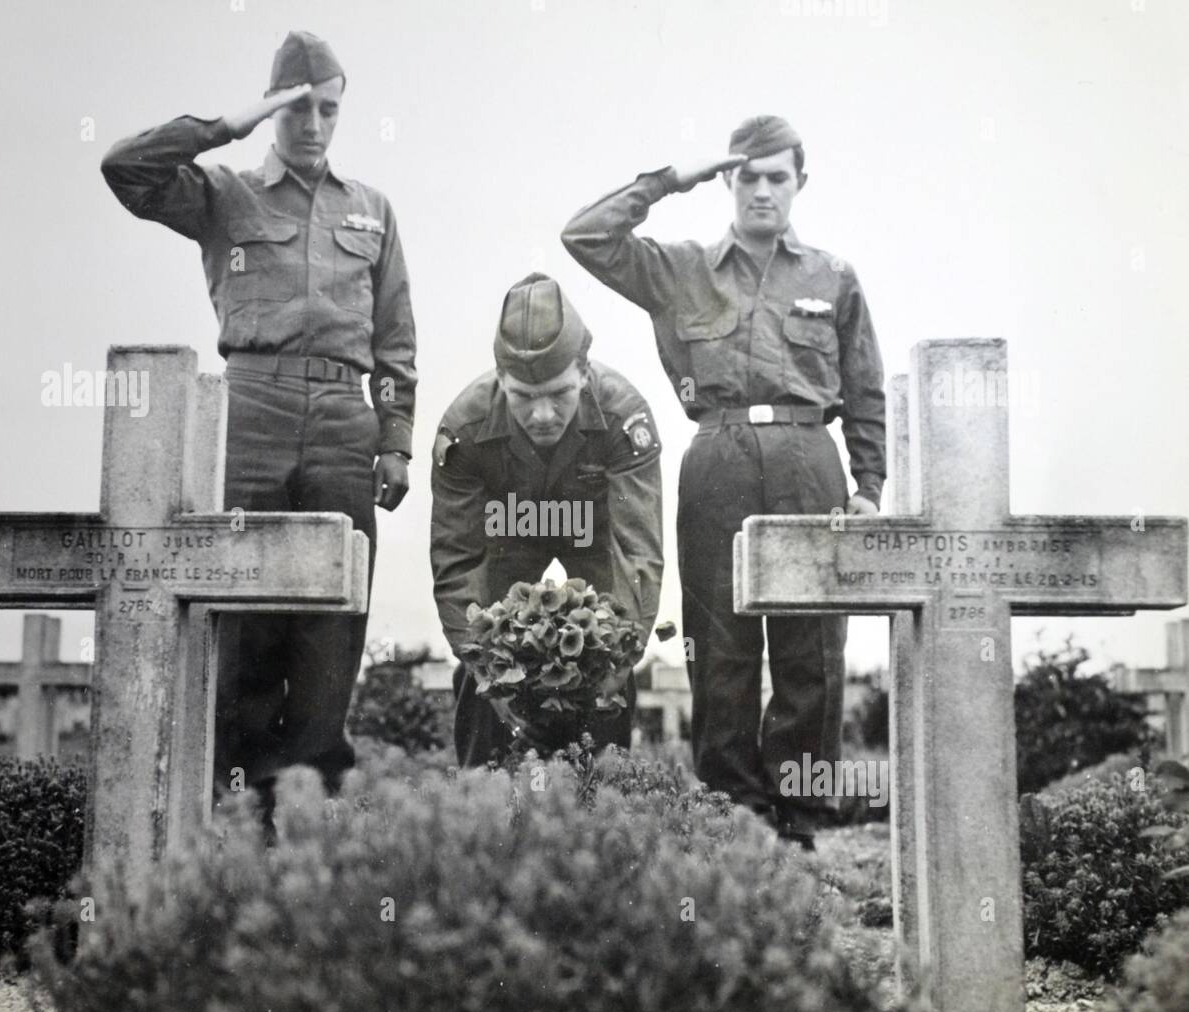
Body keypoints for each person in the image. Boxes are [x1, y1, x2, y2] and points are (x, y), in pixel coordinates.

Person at [101, 31, 417, 834]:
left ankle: (308, 816)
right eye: (298, 108)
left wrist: (395, 437)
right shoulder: (226, 194)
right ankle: (234, 814)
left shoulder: (371, 210)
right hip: (250, 410)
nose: (313, 124)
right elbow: (126, 171)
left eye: (328, 109)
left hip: (345, 418)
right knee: (238, 614)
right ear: (275, 109)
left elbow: (395, 334)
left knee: (332, 618)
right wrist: (227, 124)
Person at [561, 116, 885, 848]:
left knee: (811, 645)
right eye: (748, 176)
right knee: (720, 642)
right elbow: (586, 238)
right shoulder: (683, 268)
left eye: (778, 176)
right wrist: (670, 180)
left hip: (809, 453)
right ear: (729, 182)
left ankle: (800, 816)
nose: (763, 190)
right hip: (717, 454)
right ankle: (733, 813)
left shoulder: (832, 276)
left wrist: (869, 483)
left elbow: (865, 389)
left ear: (800, 182)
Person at [430, 273, 663, 766]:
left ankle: (605, 802)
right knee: (484, 662)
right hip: (508, 532)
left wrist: (619, 660)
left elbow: (636, 551)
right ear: (499, 380)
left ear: (583, 371)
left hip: (594, 538)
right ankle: (484, 805)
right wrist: (482, 667)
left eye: (558, 394)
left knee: (607, 658)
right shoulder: (464, 428)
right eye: (522, 397)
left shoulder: (625, 416)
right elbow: (457, 560)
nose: (541, 415)